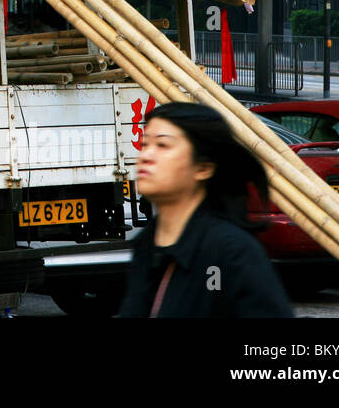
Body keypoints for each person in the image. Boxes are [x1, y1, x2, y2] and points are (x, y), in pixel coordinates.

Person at [118, 101, 294, 318]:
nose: (145, 156)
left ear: (203, 168)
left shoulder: (228, 251)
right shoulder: (146, 246)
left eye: (162, 145)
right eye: (145, 144)